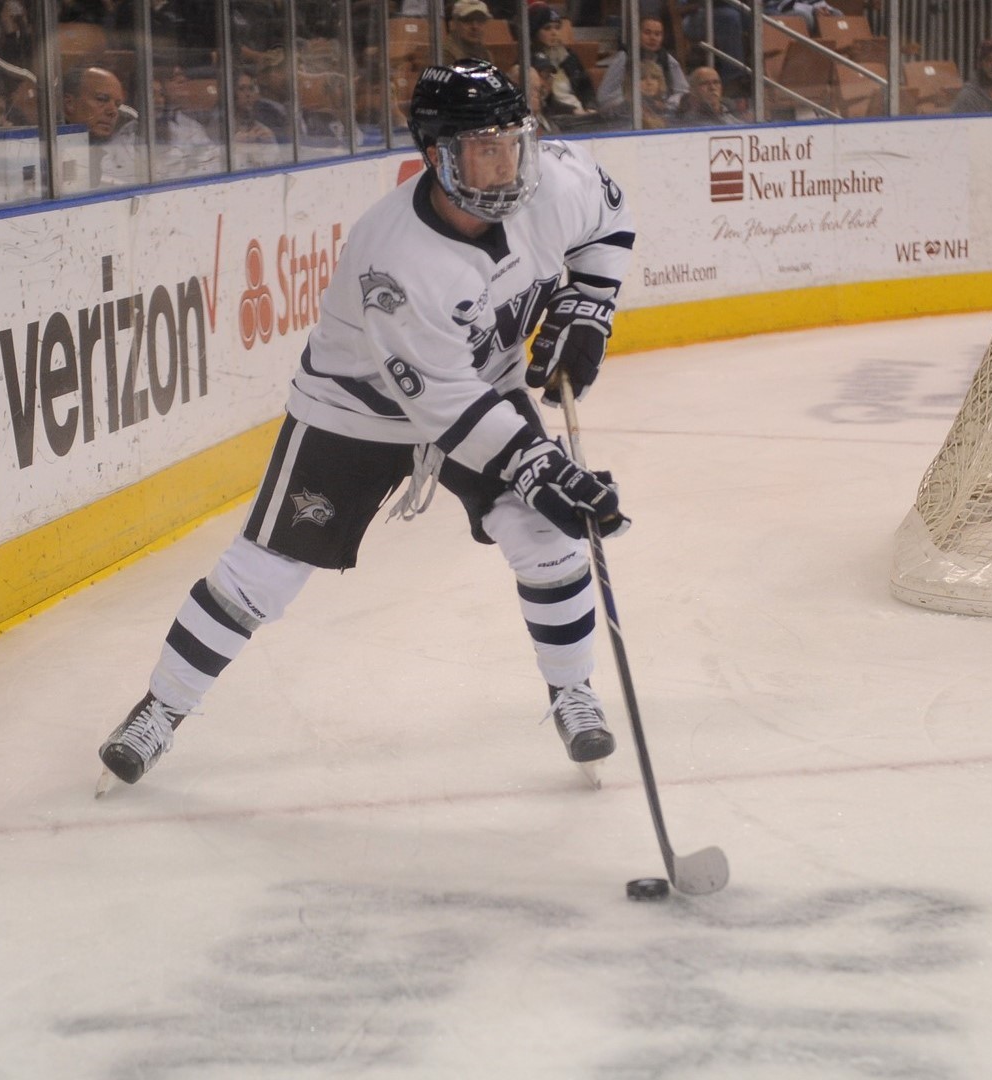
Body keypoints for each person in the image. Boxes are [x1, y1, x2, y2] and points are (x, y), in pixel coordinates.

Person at [96, 59, 635, 787]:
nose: (505, 163)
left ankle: (571, 691)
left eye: (511, 143)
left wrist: (589, 305)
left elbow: (611, 217)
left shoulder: (554, 186)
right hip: (357, 411)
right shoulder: (399, 260)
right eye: (483, 149)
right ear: (438, 157)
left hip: (480, 386)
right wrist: (540, 466)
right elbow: (442, 405)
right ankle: (160, 708)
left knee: (546, 538)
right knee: (265, 572)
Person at [62, 65, 139, 187]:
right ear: (69, 103)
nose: (113, 111)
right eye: (101, 99)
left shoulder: (124, 144)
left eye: (117, 105)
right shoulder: (42, 152)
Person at [598, 15, 689, 116]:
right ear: (637, 34)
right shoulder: (624, 57)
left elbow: (684, 93)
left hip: (662, 115)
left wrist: (667, 104)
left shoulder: (667, 59)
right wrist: (632, 103)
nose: (653, 38)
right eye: (647, 33)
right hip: (627, 117)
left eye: (657, 34)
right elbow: (604, 96)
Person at [529, 5, 599, 123]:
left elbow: (586, 87)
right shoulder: (530, 60)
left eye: (557, 28)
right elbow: (545, 101)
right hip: (557, 118)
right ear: (535, 32)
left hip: (581, 115)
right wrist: (572, 111)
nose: (554, 33)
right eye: (547, 28)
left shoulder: (569, 56)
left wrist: (591, 107)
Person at [672, 65, 738, 124]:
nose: (712, 87)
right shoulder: (683, 123)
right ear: (692, 90)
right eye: (705, 83)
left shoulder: (733, 116)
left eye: (716, 82)